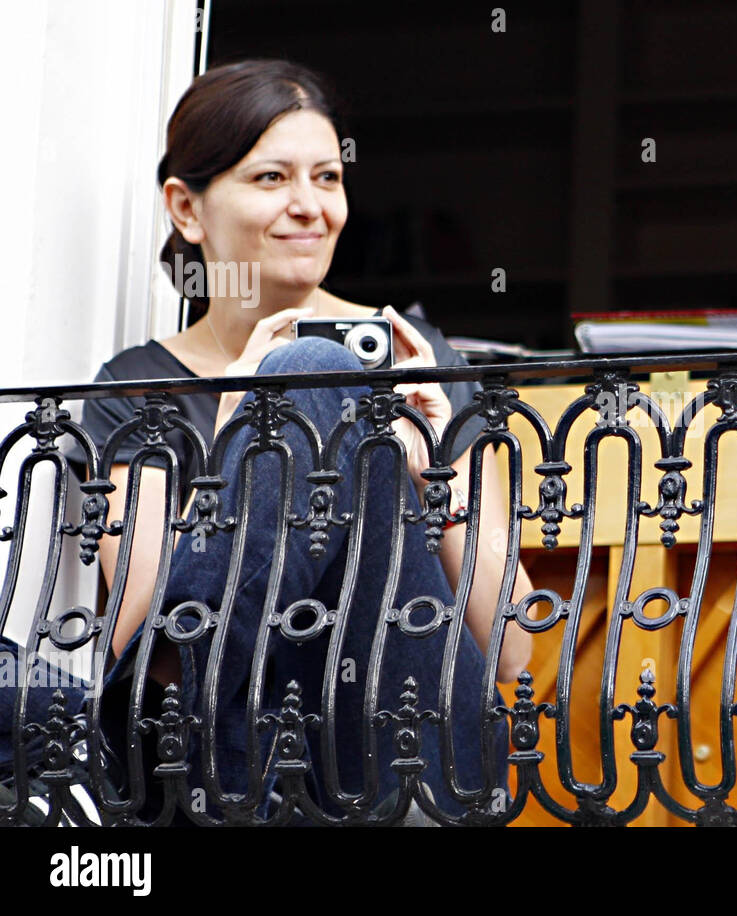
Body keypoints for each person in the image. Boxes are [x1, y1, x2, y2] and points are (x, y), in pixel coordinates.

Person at [38, 59, 532, 823]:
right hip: (219, 746)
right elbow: (148, 643)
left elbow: (511, 650)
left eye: (327, 178)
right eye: (271, 179)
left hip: (398, 745)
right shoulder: (138, 385)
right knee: (307, 374)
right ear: (187, 208)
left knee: (317, 369)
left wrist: (435, 478)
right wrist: (240, 425)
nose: (310, 206)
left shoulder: (418, 360)